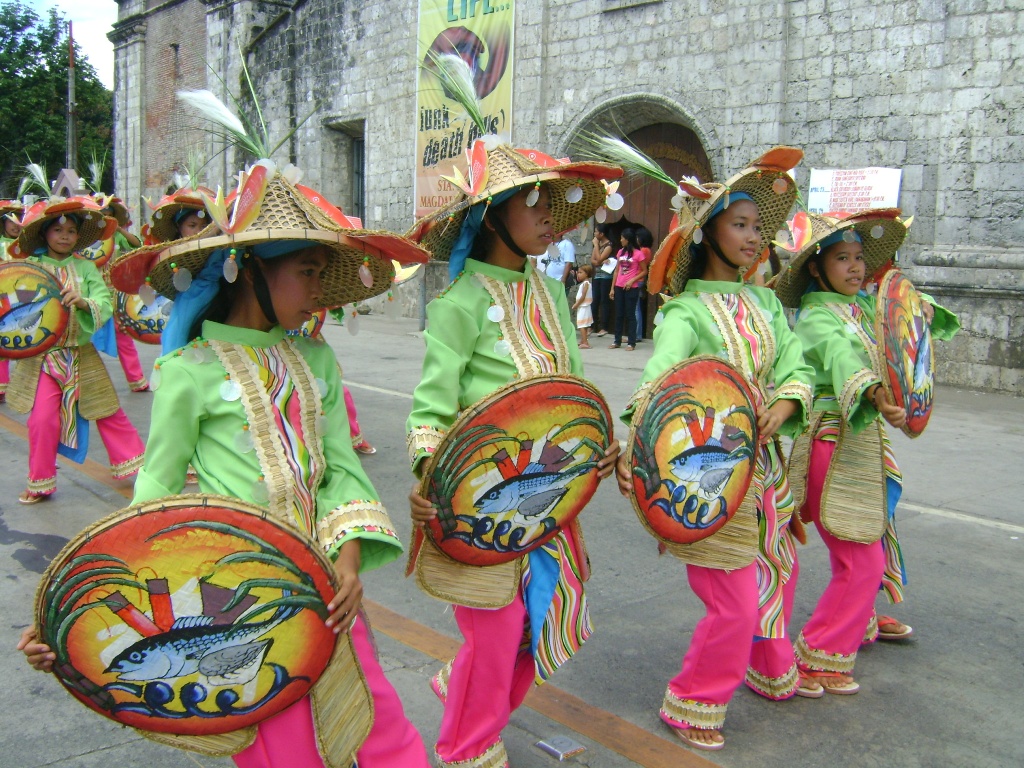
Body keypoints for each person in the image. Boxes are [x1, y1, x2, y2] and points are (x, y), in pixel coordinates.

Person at [22, 168, 432, 767]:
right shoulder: (188, 371)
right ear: (248, 269)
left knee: (378, 724)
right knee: (282, 743)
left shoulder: (315, 358)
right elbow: (155, 501)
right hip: (232, 602)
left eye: (323, 273)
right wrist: (74, 618)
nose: (319, 290)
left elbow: (340, 470)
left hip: (327, 590)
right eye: (308, 272)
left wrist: (346, 563)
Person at [405, 135, 621, 768]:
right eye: (536, 205)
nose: (551, 219)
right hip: (482, 503)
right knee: (496, 630)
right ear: (491, 214)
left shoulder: (551, 296)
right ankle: (466, 747)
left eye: (555, 207)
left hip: (552, 497)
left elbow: (575, 390)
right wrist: (429, 472)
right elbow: (430, 412)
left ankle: (473, 697)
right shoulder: (459, 304)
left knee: (540, 625)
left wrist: (601, 443)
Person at [616, 147, 816, 751]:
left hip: (768, 472)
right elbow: (660, 380)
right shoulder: (685, 312)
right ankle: (695, 696)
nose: (755, 238)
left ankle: (771, 665)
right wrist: (637, 441)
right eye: (741, 225)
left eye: (759, 227)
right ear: (706, 233)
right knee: (732, 598)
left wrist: (785, 404)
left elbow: (796, 367)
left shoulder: (766, 303)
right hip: (714, 476)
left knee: (778, 568)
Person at [772, 211, 960, 690]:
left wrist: (915, 315)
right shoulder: (816, 319)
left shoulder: (860, 307)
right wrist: (875, 392)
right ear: (817, 268)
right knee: (860, 556)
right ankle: (821, 650)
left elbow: (901, 323)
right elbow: (842, 360)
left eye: (859, 257)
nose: (855, 267)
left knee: (869, 536)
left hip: (865, 441)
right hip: (831, 443)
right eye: (842, 258)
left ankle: (859, 618)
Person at [4, 199, 146, 504]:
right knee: (42, 420)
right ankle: (40, 481)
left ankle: (143, 469)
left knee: (108, 411)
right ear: (44, 234)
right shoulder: (31, 268)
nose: (65, 236)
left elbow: (104, 303)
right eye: (58, 230)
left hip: (81, 354)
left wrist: (84, 302)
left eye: (71, 230)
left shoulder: (86, 267)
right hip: (43, 360)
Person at [0, 199, 25, 403]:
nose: (15, 224)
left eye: (19, 219)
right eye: (11, 220)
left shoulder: (28, 246)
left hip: (23, 297)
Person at [608, 227, 645, 350]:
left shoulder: (638, 254)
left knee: (630, 315)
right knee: (619, 314)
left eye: (622, 238)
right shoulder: (620, 252)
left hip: (631, 287)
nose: (621, 240)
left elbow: (644, 271)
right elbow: (616, 270)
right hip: (619, 286)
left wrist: (632, 280)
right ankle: (617, 341)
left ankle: (631, 342)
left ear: (628, 239)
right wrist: (612, 288)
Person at [589, 222, 615, 336]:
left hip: (606, 277)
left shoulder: (608, 245)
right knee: (594, 300)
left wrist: (596, 246)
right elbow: (593, 261)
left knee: (604, 301)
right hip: (597, 275)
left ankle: (604, 327)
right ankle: (592, 326)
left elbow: (598, 259)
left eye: (596, 231)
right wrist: (598, 260)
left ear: (602, 233)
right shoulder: (598, 244)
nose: (594, 234)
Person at [634, 226, 654, 341]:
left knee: (636, 308)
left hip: (637, 279)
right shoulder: (646, 250)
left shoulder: (644, 251)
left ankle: (637, 334)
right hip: (639, 279)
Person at [573, 263, 594, 348]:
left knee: (581, 324)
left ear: (586, 274)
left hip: (584, 306)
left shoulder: (586, 283)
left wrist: (576, 304)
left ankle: (585, 342)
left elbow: (583, 295)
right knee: (583, 324)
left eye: (580, 272)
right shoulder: (585, 283)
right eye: (578, 272)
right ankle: (583, 340)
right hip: (583, 306)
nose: (578, 274)